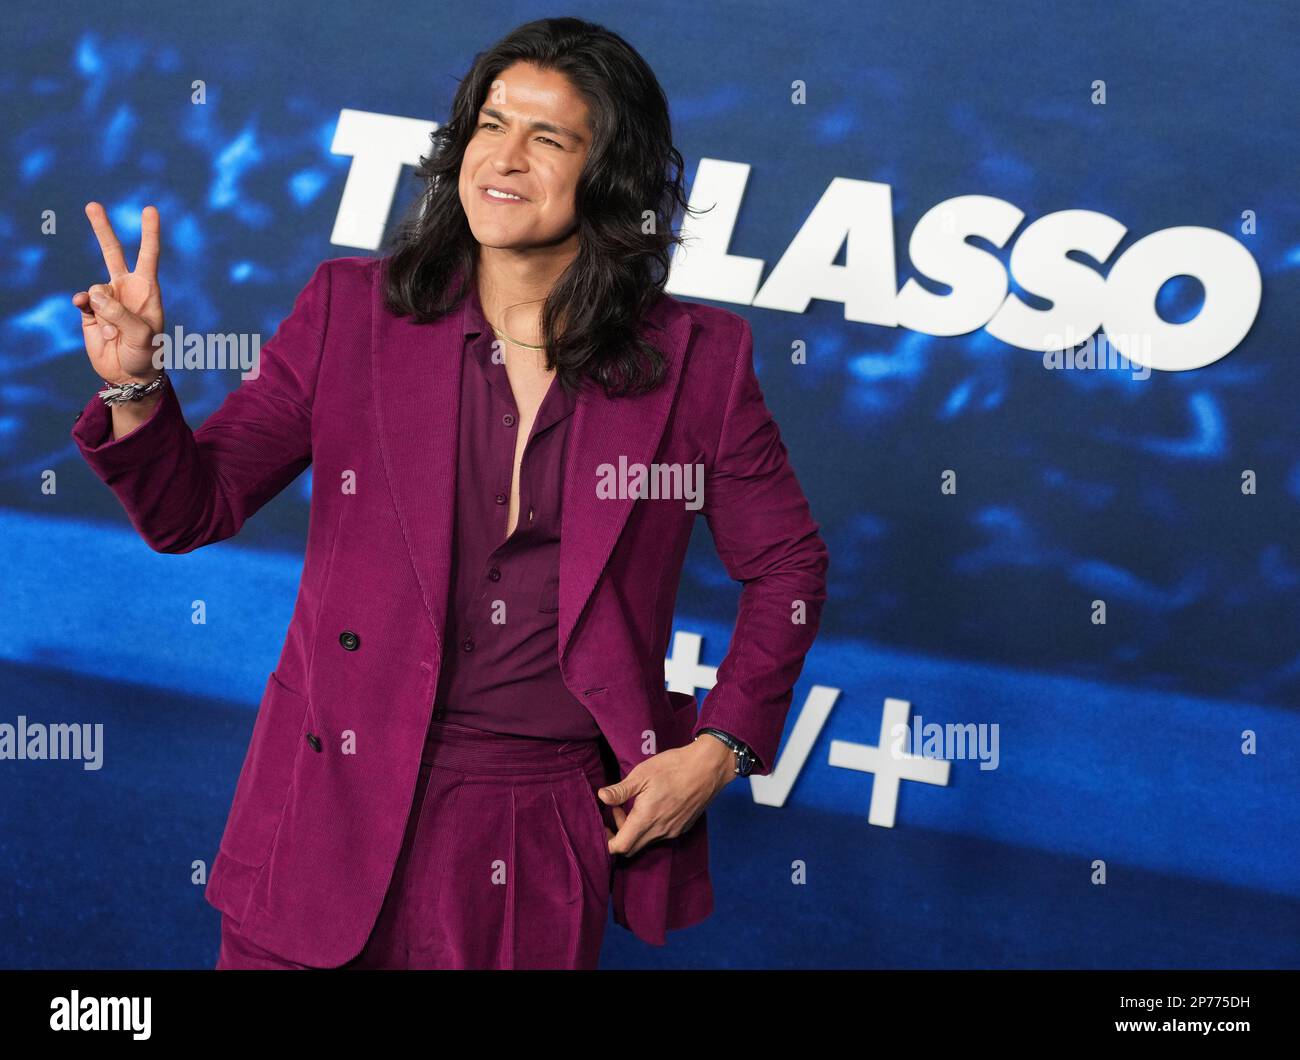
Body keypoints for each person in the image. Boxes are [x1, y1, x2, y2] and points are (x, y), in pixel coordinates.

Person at [70, 17, 828, 970]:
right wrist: (137, 386)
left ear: (611, 173)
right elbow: (193, 508)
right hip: (325, 806)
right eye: (491, 124)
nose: (503, 158)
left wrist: (722, 748)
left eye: (548, 138)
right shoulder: (352, 310)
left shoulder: (696, 361)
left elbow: (789, 564)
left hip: (537, 822)